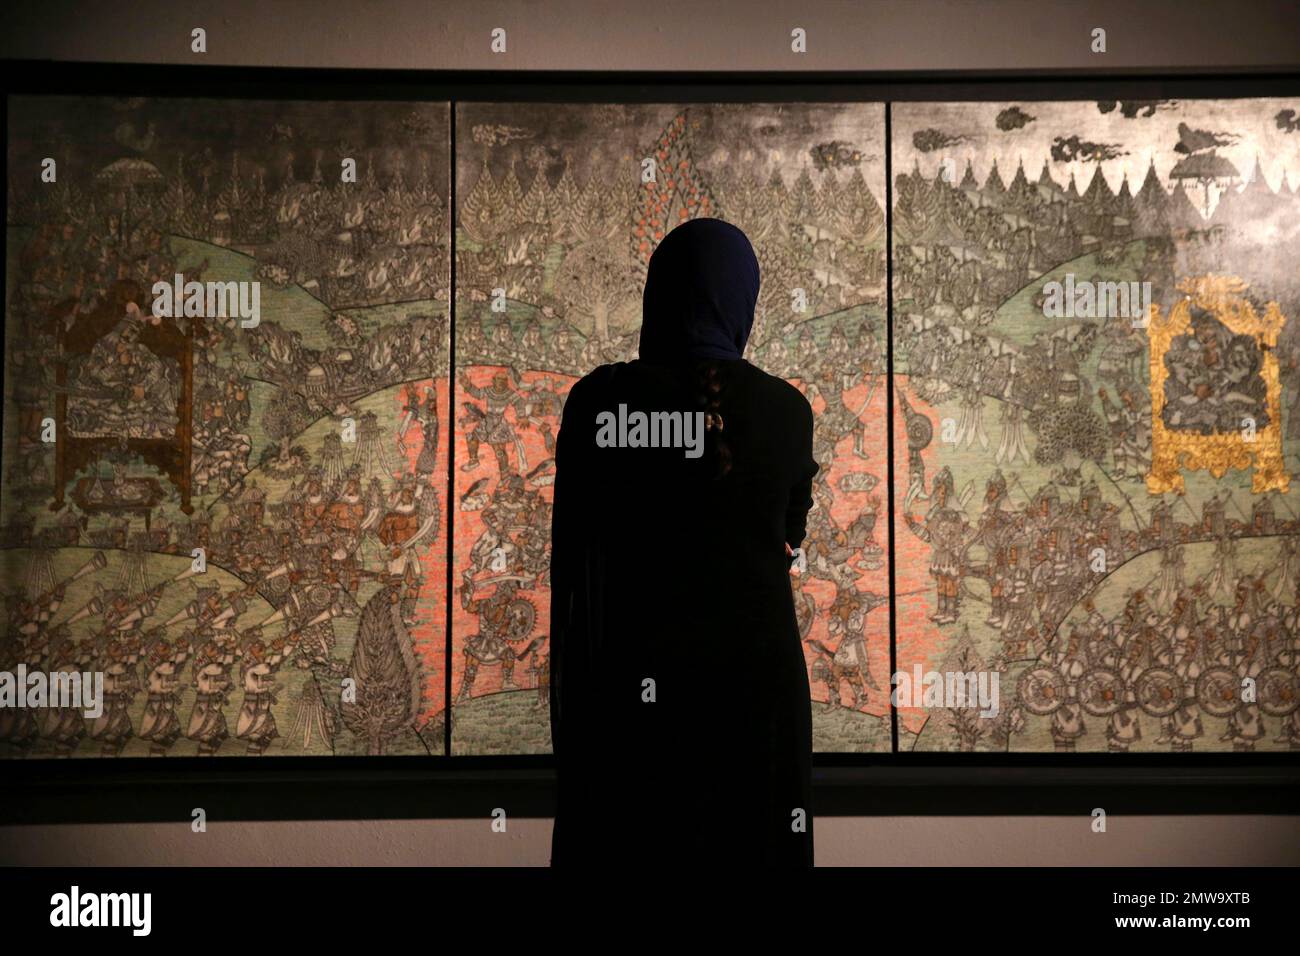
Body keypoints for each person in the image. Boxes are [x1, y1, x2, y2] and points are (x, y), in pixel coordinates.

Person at [548, 218, 818, 866]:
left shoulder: (599, 404)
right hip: (756, 705)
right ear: (740, 299)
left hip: (631, 708)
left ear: (658, 294)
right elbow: (789, 532)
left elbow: (575, 551)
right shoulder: (785, 411)